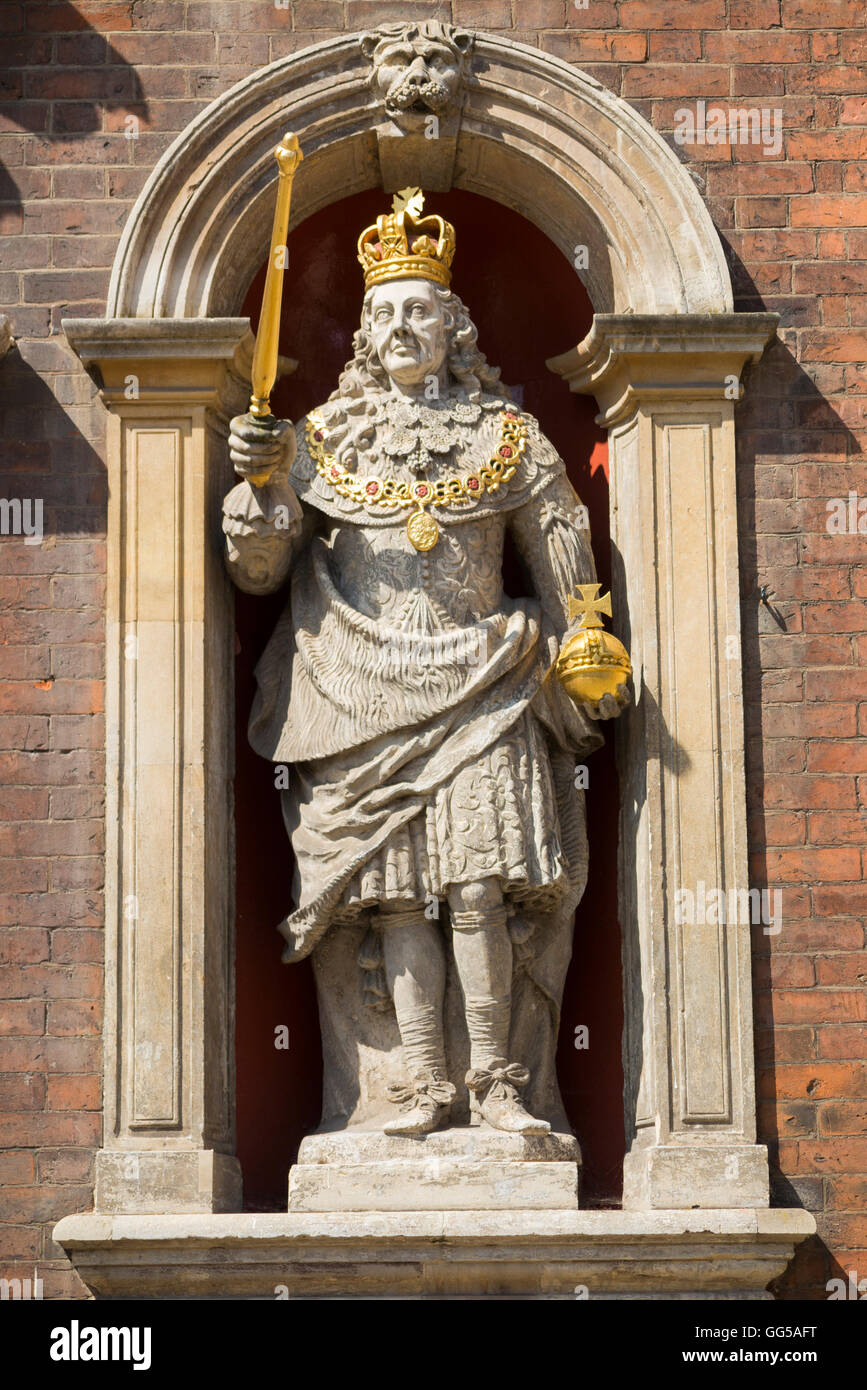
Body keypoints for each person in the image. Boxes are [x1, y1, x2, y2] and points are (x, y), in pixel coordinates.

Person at [222, 190, 627, 1137]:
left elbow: (564, 547)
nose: (403, 327)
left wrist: (585, 645)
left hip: (487, 676)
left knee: (479, 885)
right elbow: (261, 569)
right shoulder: (318, 440)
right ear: (363, 333)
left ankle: (497, 1084)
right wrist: (259, 485)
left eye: (420, 311)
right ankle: (418, 1085)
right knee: (392, 889)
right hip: (356, 692)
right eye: (384, 313)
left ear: (455, 326)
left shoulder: (509, 438)